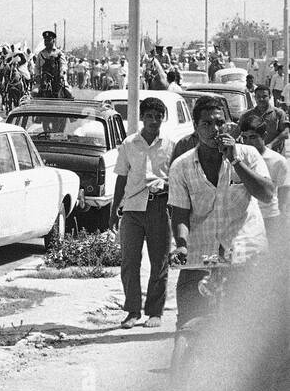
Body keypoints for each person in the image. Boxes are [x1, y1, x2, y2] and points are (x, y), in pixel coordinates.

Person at [168, 95, 275, 330]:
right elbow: (179, 214)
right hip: (201, 255)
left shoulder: (248, 155)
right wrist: (182, 245)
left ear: (228, 125)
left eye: (219, 123)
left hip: (245, 254)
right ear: (196, 128)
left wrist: (235, 161)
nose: (214, 129)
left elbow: (267, 193)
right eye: (206, 124)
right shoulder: (181, 166)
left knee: (248, 328)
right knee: (188, 321)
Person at [112, 97, 175, 329]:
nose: (154, 121)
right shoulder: (129, 144)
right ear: (142, 117)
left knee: (159, 261)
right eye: (149, 116)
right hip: (132, 208)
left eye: (158, 116)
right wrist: (113, 211)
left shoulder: (170, 144)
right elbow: (121, 177)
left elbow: (177, 179)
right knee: (129, 261)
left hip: (159, 206)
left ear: (162, 119)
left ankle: (155, 312)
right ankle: (132, 310)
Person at [237, 111, 286, 244]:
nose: (248, 142)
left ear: (264, 136)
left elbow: (284, 197)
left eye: (253, 137)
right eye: (244, 138)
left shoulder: (278, 160)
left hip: (269, 217)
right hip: (247, 219)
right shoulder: (238, 159)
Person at [32, 30, 71, 99]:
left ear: (53, 40)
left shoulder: (59, 53)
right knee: (34, 92)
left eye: (49, 40)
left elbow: (63, 65)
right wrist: (37, 75)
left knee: (68, 92)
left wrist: (62, 73)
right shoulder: (41, 53)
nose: (47, 42)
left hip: (58, 78)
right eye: (45, 40)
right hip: (43, 79)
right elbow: (37, 67)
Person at [250, 84, 288, 155]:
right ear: (254, 98)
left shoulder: (279, 113)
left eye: (264, 96)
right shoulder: (248, 115)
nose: (261, 99)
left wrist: (271, 144)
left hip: (276, 155)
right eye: (258, 96)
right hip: (256, 156)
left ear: (270, 97)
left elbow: (285, 133)